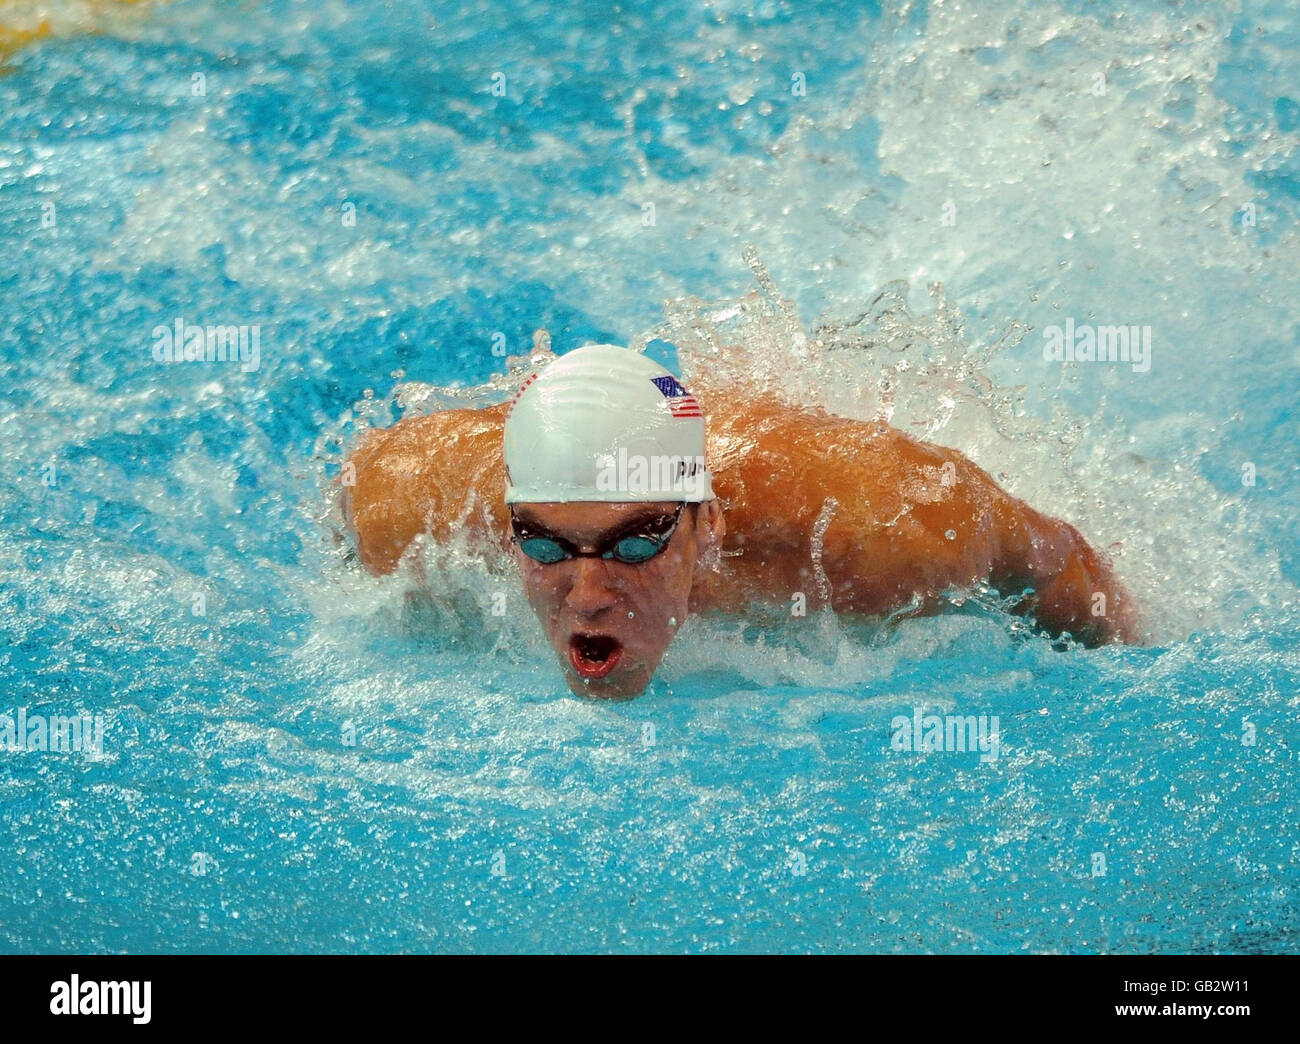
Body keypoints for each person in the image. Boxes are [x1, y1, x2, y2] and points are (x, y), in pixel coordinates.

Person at [341, 344, 1139, 699]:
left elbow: (1053, 559)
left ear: (708, 524)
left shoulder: (886, 530)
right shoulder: (412, 506)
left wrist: (1126, 671)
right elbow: (346, 495)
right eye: (547, 543)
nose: (587, 596)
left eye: (639, 540)